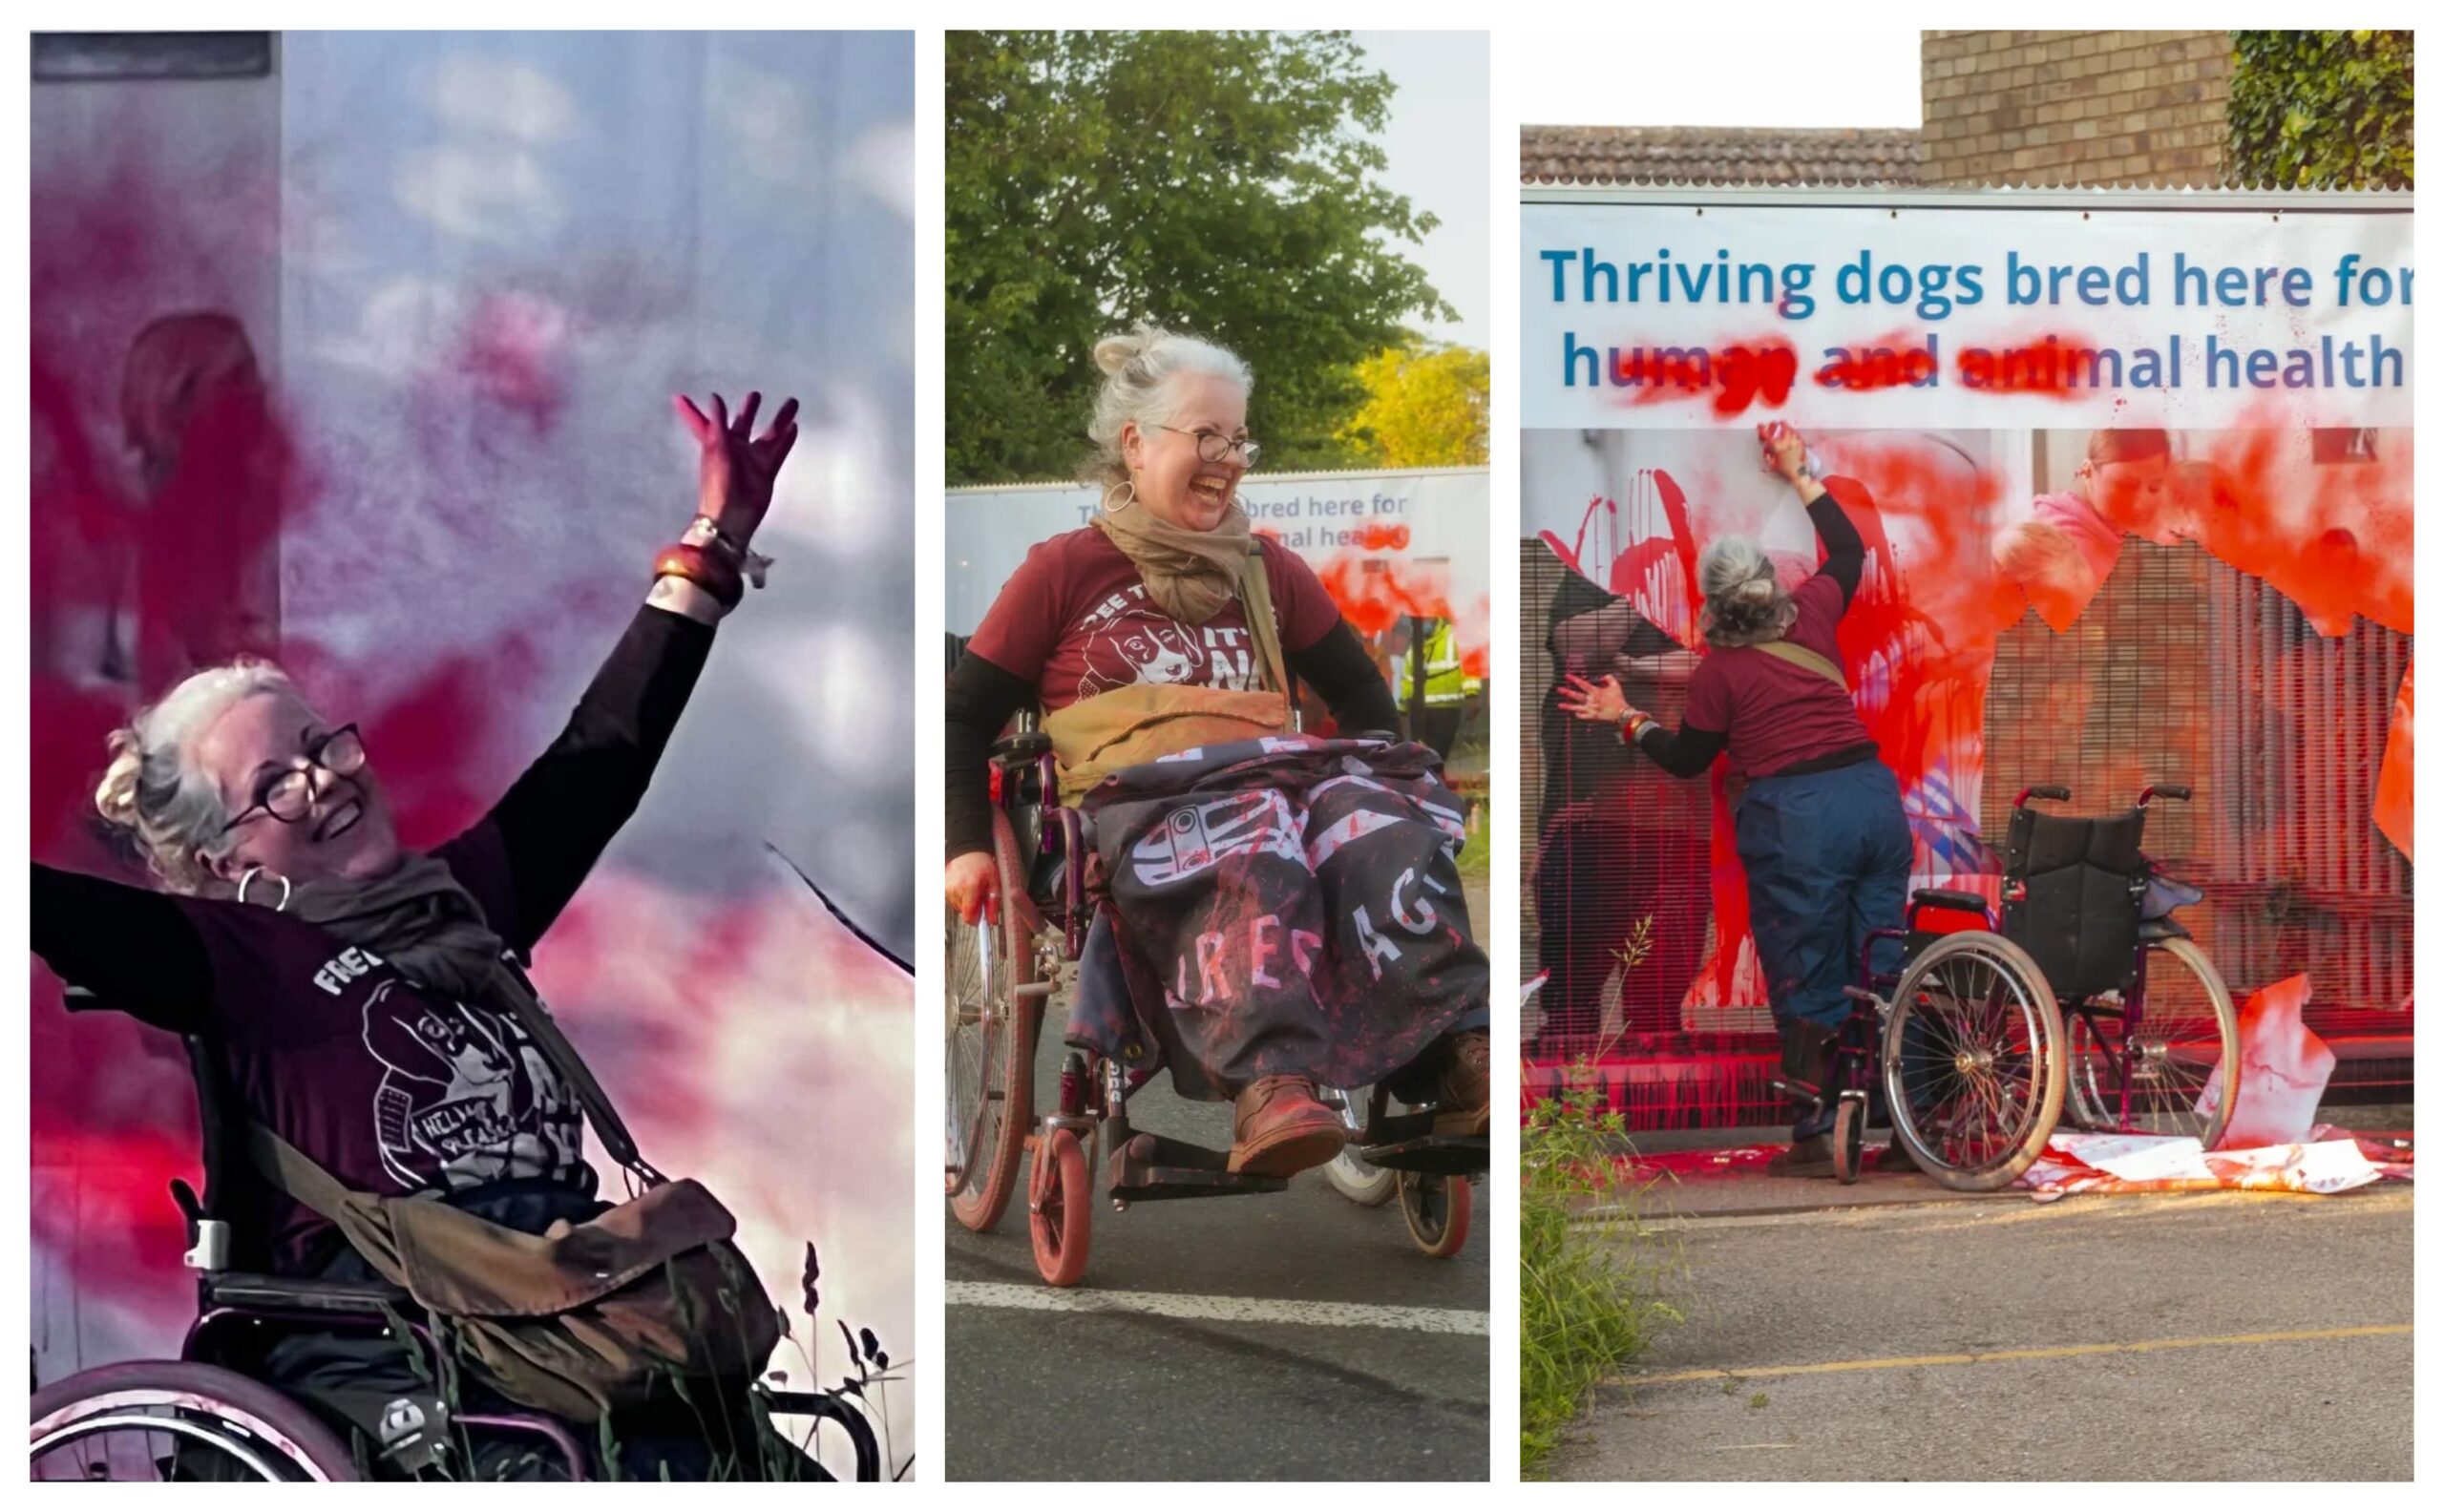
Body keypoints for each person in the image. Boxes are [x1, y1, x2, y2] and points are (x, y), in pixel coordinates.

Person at [31, 389, 811, 1479]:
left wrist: (715, 540)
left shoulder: (461, 903)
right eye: (276, 785)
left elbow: (603, 759)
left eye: (322, 746)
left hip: (564, 1320)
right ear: (222, 861)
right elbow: (46, 907)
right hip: (392, 1352)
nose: (325, 781)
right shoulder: (230, 958)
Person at [943, 326, 1488, 1177]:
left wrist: (1382, 784)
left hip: (1274, 780)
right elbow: (963, 713)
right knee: (1253, 826)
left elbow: (1360, 696)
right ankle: (1271, 1083)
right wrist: (966, 844)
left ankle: (1456, 1053)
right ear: (1136, 442)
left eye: (1237, 439)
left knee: (1378, 825)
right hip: (1139, 804)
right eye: (1205, 436)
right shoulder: (1064, 570)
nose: (1227, 458)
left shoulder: (1266, 571)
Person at [1558, 422, 1912, 1175]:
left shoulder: (1720, 675)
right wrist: (1798, 471)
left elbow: (1689, 761)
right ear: (1772, 586)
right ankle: (1907, 1125)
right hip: (1874, 802)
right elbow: (1848, 551)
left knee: (1804, 968)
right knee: (1880, 964)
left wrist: (1626, 717)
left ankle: (1815, 1137)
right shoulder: (1814, 612)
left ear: (1714, 603)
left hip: (1801, 819)